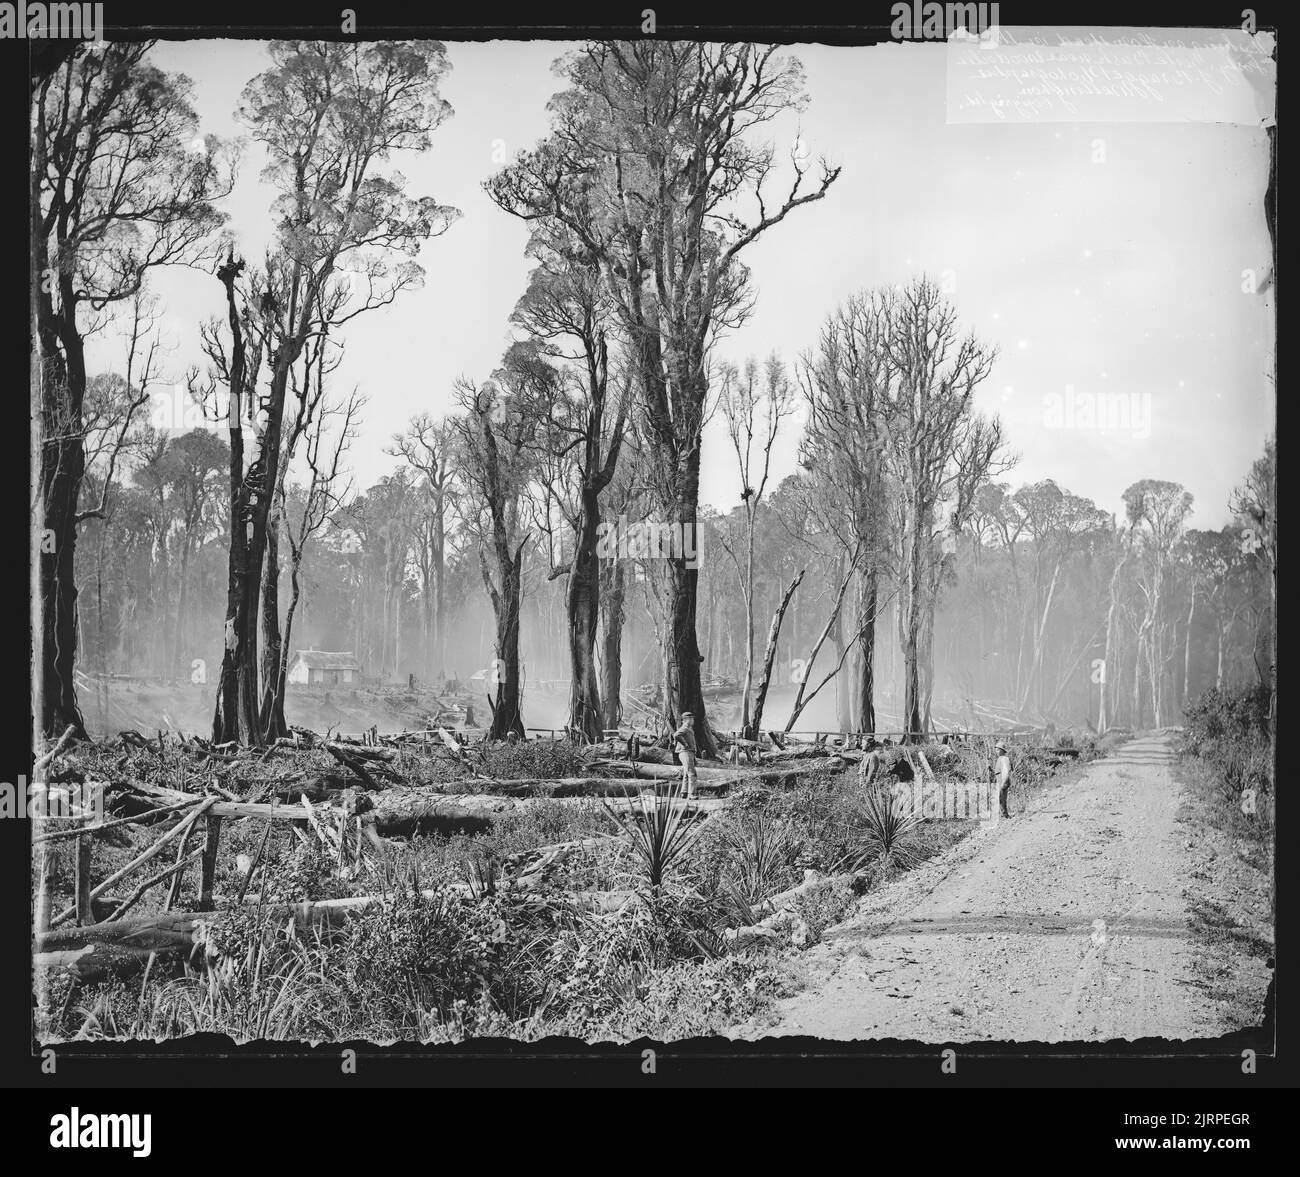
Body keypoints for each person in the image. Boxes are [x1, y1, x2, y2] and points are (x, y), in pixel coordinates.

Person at [673, 711, 698, 801]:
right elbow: (676, 735)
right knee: (692, 773)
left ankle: (684, 792)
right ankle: (692, 794)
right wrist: (685, 744)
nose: (693, 721)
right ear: (687, 720)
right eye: (691, 719)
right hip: (685, 752)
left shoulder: (689, 729)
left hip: (689, 753)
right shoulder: (685, 728)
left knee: (687, 774)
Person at [994, 740, 1013, 818]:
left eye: (998, 750)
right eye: (996, 750)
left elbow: (1006, 771)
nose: (996, 751)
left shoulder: (1004, 759)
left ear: (1002, 750)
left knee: (1001, 798)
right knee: (1000, 799)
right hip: (1000, 781)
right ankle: (1003, 815)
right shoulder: (1000, 759)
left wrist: (1003, 783)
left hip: (1003, 781)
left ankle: (1004, 815)